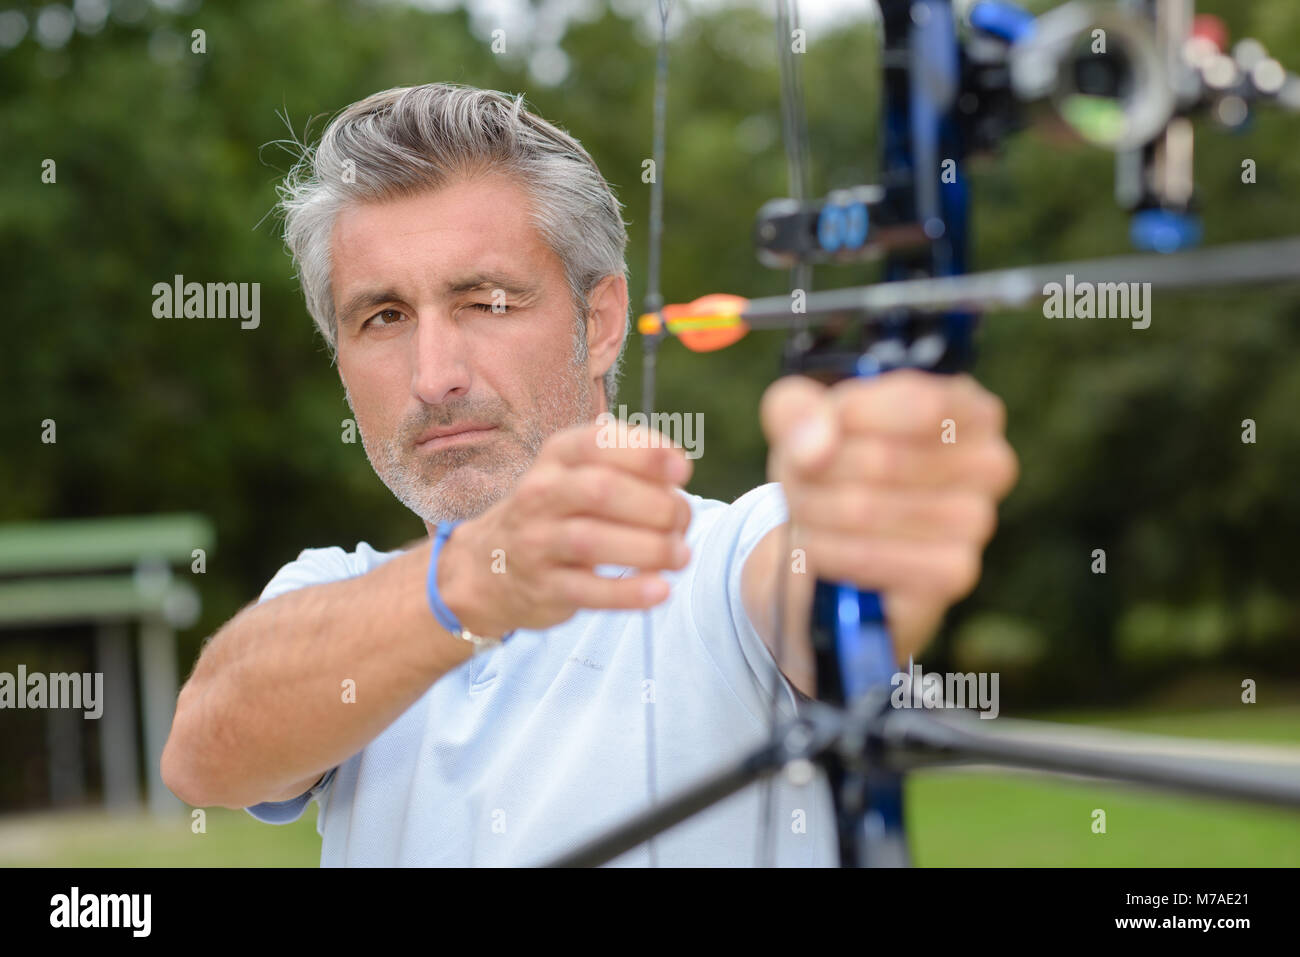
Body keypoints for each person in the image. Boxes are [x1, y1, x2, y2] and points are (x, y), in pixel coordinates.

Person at [160, 83, 1018, 866]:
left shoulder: (723, 560)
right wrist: (473, 581)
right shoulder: (341, 593)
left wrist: (874, 514)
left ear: (601, 322)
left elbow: (823, 591)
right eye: (383, 317)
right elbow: (205, 751)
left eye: (486, 301)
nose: (434, 375)